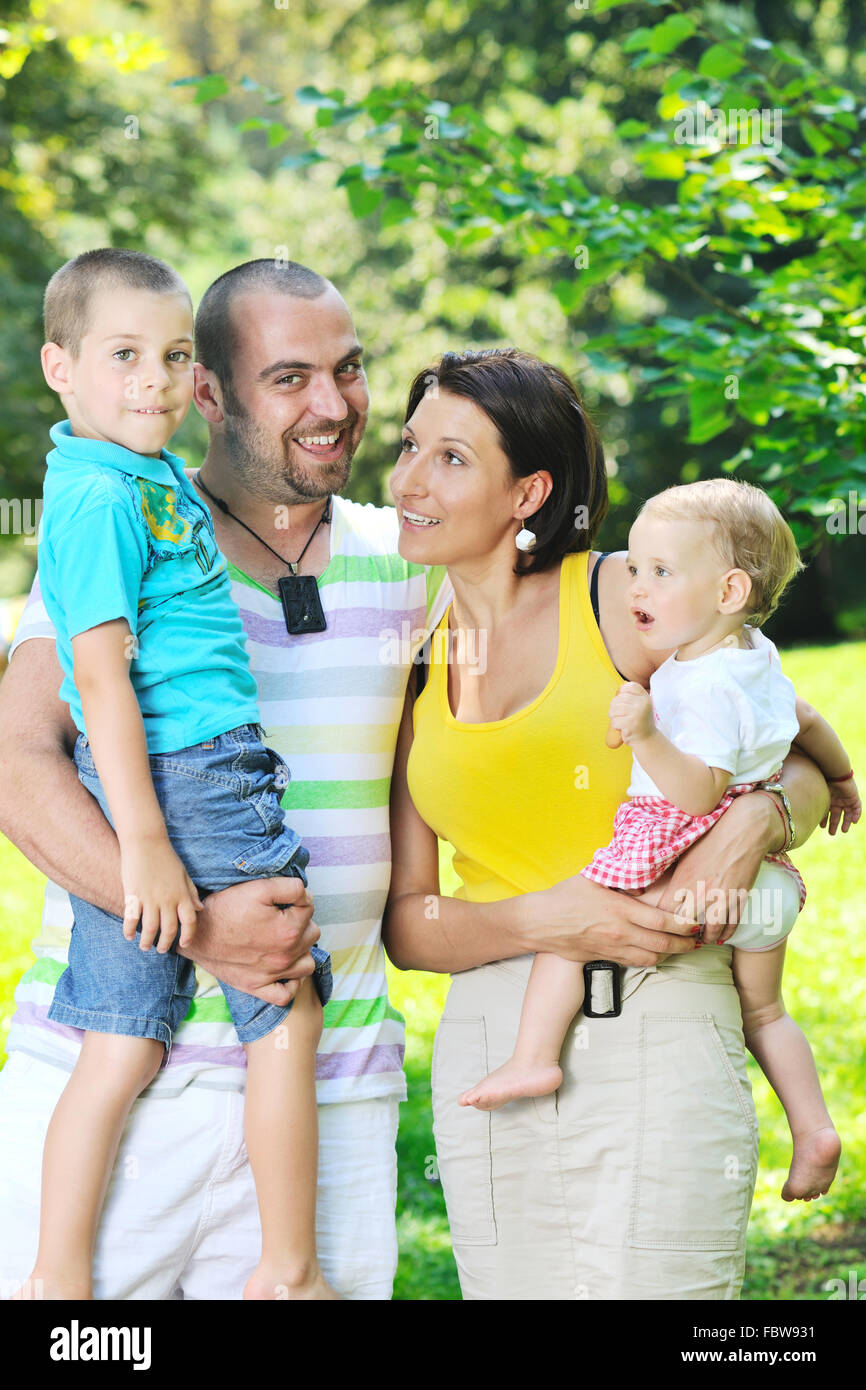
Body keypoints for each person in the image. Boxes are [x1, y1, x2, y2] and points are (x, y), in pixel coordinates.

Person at [0, 258, 451, 1300]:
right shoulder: (122, 529)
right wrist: (200, 925)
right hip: (112, 1071)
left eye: (349, 369)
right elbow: (19, 770)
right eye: (290, 377)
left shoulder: (411, 567)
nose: (334, 405)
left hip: (324, 1104)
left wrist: (785, 792)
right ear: (209, 394)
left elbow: (648, 647)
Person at [384, 348, 832, 1300]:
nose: (408, 481)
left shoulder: (628, 595)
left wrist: (755, 818)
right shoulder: (413, 656)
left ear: (528, 492)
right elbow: (409, 924)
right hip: (490, 1048)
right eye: (409, 446)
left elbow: (774, 734)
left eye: (452, 458)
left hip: (657, 1021)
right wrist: (555, 920)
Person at [458, 478, 858, 1206]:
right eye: (634, 567)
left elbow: (700, 791)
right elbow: (807, 718)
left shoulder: (700, 685)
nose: (635, 585)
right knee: (765, 1012)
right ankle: (814, 1126)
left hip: (680, 851)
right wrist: (842, 778)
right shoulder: (755, 657)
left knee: (567, 932)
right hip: (765, 886)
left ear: (730, 589)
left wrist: (644, 732)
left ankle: (533, 1056)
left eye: (660, 572)